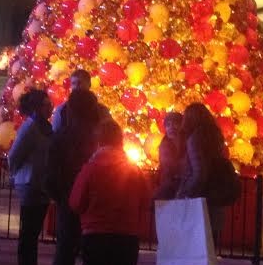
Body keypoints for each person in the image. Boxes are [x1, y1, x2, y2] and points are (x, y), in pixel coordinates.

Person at [68, 119, 152, 265]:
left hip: (95, 235)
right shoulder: (134, 171)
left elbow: (76, 202)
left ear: (98, 142)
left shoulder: (90, 169)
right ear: (120, 141)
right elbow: (146, 200)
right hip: (127, 236)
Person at [48, 88, 104, 265]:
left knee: (65, 251)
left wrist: (62, 197)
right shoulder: (99, 138)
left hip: (68, 200)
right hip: (95, 203)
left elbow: (50, 175)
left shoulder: (62, 137)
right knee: (93, 252)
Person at [175, 102, 237, 244]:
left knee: (194, 248)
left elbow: (199, 172)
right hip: (215, 199)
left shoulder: (195, 139)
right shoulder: (217, 137)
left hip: (200, 203)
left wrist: (186, 193)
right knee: (209, 248)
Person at [8, 89, 53, 265]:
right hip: (29, 184)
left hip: (42, 186)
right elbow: (14, 155)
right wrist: (16, 173)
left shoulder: (46, 126)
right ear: (37, 107)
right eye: (46, 105)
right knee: (28, 234)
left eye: (50, 104)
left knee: (32, 233)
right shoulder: (30, 127)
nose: (50, 108)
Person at [155, 111, 185, 200]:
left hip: (187, 190)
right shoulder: (164, 146)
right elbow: (166, 171)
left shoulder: (189, 144)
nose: (171, 127)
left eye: (175, 123)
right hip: (169, 191)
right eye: (168, 125)